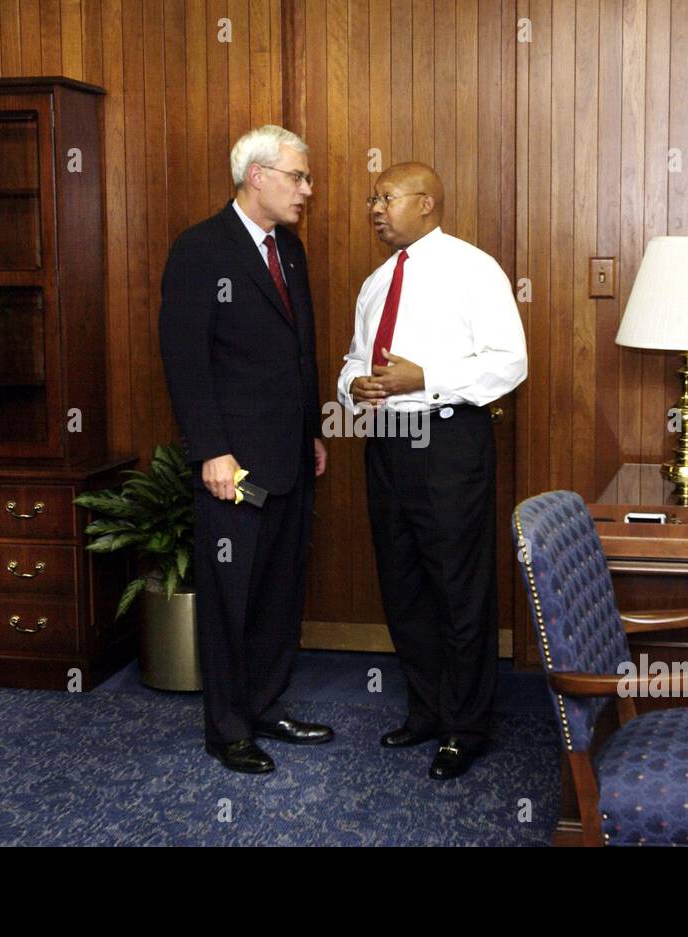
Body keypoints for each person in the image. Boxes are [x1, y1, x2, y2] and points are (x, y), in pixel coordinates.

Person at [337, 162, 528, 779]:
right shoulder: (374, 283)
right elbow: (351, 360)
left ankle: (466, 727)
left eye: (385, 197)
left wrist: (427, 377)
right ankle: (425, 711)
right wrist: (353, 385)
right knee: (403, 583)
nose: (374, 208)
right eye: (372, 198)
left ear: (427, 202)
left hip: (448, 441)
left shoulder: (474, 269)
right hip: (387, 442)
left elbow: (511, 362)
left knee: (458, 587)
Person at [160, 125, 331, 774]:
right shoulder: (200, 250)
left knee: (278, 592)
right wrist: (211, 451)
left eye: (307, 179)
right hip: (234, 464)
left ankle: (264, 705)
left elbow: (299, 348)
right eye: (298, 177)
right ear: (256, 175)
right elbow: (185, 360)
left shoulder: (291, 251)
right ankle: (227, 728)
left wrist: (313, 428)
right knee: (233, 594)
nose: (307, 191)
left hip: (289, 456)